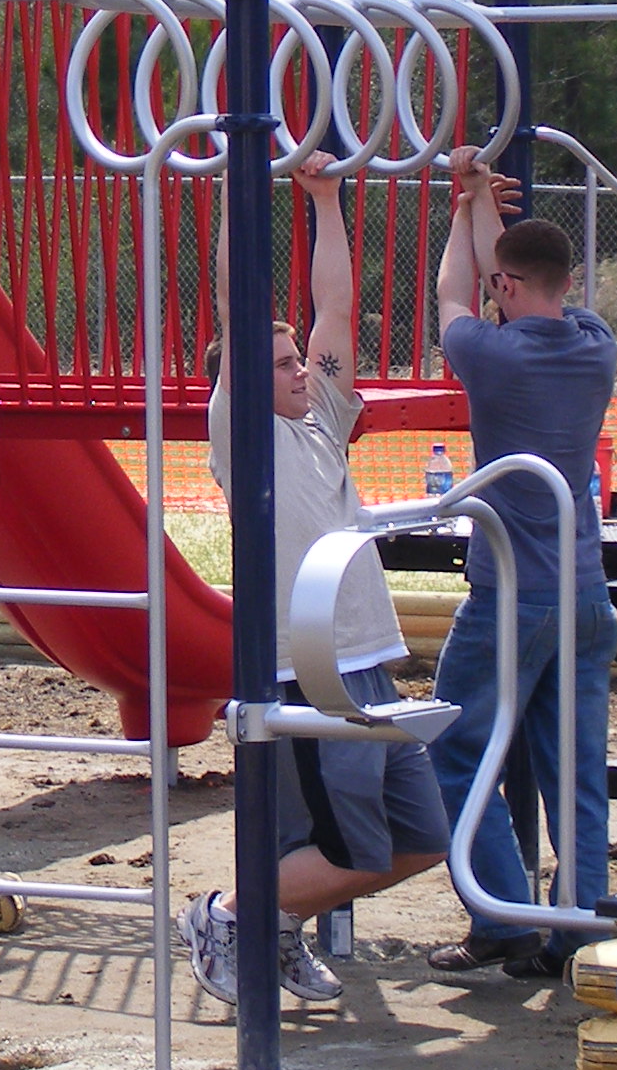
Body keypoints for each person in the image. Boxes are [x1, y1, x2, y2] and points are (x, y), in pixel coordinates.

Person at [174, 157, 447, 1007]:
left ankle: (271, 925)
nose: (299, 370)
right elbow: (232, 304)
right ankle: (227, 914)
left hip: (369, 657)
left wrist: (325, 199)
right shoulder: (241, 428)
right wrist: (234, 181)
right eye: (283, 362)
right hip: (310, 666)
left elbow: (335, 307)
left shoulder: (323, 420)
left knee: (421, 840)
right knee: (352, 846)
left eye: (300, 361)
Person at [423, 149, 617, 975]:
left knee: (450, 745)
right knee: (574, 769)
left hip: (510, 596)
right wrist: (482, 204)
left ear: (504, 288)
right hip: (584, 595)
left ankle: (503, 914)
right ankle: (580, 931)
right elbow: (503, 283)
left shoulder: (491, 358)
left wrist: (466, 212)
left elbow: (448, 296)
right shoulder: (596, 346)